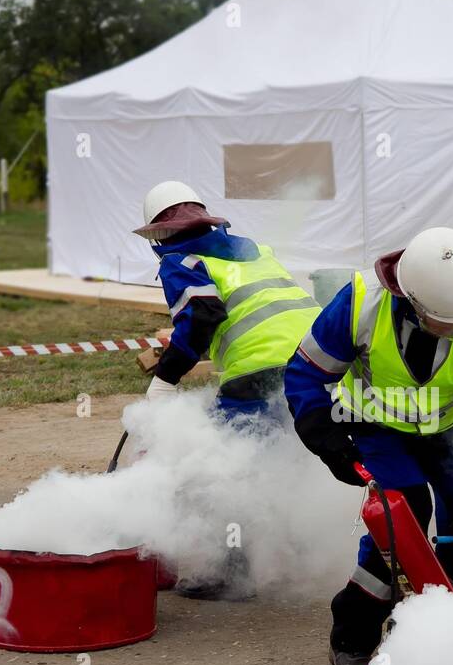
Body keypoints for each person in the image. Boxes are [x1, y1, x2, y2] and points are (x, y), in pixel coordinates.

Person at [284, 227, 453, 665]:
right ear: (407, 298)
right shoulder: (358, 305)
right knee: (400, 523)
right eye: (444, 322)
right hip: (379, 428)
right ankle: (352, 636)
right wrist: (324, 437)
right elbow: (305, 375)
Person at [134, 180, 322, 598]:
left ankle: (230, 576)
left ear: (157, 233)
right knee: (289, 454)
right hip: (315, 358)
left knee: (224, 463)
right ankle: (306, 547)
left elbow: (202, 314)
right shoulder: (251, 248)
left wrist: (165, 378)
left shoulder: (180, 259)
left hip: (260, 367)